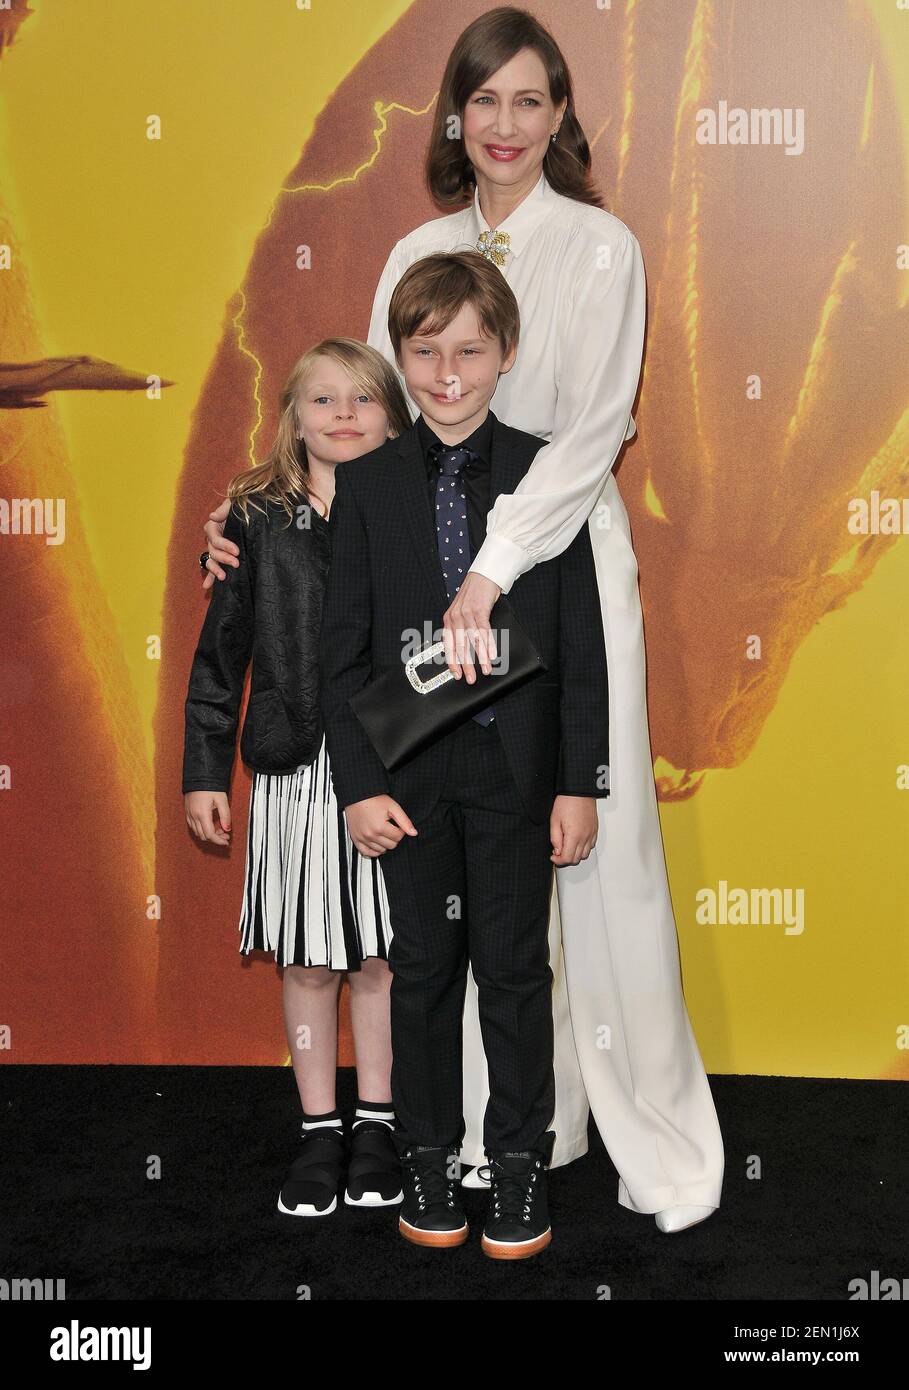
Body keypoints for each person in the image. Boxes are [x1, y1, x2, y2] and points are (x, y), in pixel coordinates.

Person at [202, 7, 724, 1232]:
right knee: (448, 877)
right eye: (483, 101)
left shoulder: (603, 250)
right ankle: (468, 1138)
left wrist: (489, 571)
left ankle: (605, 1118)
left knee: (583, 847)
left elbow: (593, 436)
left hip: (554, 582)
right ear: (454, 116)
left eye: (530, 101)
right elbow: (360, 431)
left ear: (561, 117)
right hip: (420, 598)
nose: (505, 125)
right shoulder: (414, 250)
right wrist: (258, 522)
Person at [320, 249, 609, 1258]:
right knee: (425, 972)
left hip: (516, 774)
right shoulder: (362, 485)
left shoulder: (546, 474)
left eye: (470, 350)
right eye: (426, 350)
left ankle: (519, 1167)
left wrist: (579, 780)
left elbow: (579, 643)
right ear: (400, 355)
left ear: (506, 353)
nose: (448, 373)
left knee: (518, 972)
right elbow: (342, 655)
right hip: (407, 782)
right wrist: (356, 786)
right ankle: (429, 1159)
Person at [183, 339, 412, 1218]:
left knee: (380, 959)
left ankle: (380, 1124)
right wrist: (205, 768)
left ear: (393, 415)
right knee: (311, 958)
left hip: (390, 767)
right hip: (290, 771)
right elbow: (219, 657)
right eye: (322, 401)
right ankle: (321, 1128)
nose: (343, 415)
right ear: (291, 416)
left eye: (362, 399)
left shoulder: (414, 510)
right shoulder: (255, 517)